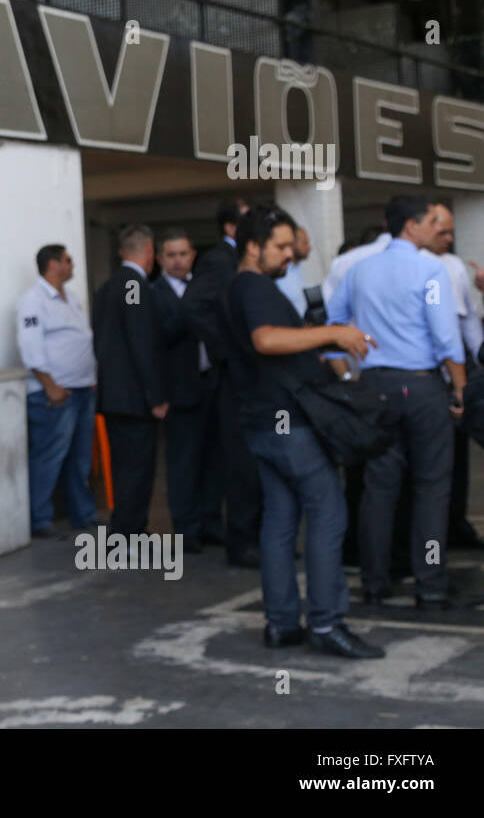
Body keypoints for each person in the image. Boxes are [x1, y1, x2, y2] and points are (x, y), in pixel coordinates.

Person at [224, 204, 384, 658]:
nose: (289, 257)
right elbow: (267, 340)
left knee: (279, 520)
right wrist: (332, 333)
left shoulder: (242, 288)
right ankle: (327, 623)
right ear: (252, 248)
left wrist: (320, 343)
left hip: (263, 421)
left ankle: (281, 623)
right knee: (328, 512)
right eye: (280, 249)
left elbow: (276, 345)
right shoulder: (252, 286)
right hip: (286, 422)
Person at [327, 194, 466, 609]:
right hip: (421, 387)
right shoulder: (430, 270)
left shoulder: (359, 269)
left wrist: (350, 376)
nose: (436, 231)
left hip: (375, 387)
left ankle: (374, 581)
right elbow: (445, 336)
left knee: (378, 488)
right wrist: (459, 387)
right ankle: (429, 583)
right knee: (431, 487)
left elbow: (332, 327)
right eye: (431, 222)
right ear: (411, 225)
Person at [184, 197, 263, 566]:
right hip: (233, 376)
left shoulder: (256, 263)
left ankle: (259, 537)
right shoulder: (218, 261)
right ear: (231, 228)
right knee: (240, 462)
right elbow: (193, 307)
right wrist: (227, 347)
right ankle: (242, 540)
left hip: (257, 375)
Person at [15, 244, 99, 537]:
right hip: (54, 394)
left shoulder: (71, 299)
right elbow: (30, 346)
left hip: (81, 390)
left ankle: (83, 514)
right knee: (49, 457)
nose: (72, 264)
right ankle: (39, 519)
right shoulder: (33, 301)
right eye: (67, 260)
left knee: (80, 459)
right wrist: (50, 386)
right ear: (53, 265)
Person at [92, 224, 168, 537]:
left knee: (125, 467)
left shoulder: (107, 287)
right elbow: (142, 343)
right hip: (134, 397)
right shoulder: (133, 287)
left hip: (113, 395)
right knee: (137, 468)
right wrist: (156, 395)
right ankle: (127, 532)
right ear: (149, 251)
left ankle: (128, 528)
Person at [423, 205, 484, 551]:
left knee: (455, 459)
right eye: (441, 232)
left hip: (454, 372)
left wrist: (473, 370)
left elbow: (466, 324)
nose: (448, 239)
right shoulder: (413, 268)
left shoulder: (454, 267)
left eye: (451, 233)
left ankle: (453, 526)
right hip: (424, 376)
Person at [152, 228, 213, 551]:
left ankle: (209, 523)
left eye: (183, 254)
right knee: (182, 463)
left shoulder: (203, 287)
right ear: (160, 259)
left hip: (209, 382)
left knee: (211, 460)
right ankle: (186, 530)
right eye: (171, 255)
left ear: (193, 255)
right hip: (178, 389)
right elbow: (157, 342)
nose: (178, 261)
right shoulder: (153, 293)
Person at [275, 225, 312, 318]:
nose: (309, 247)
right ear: (293, 243)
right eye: (305, 243)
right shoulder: (279, 273)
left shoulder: (297, 270)